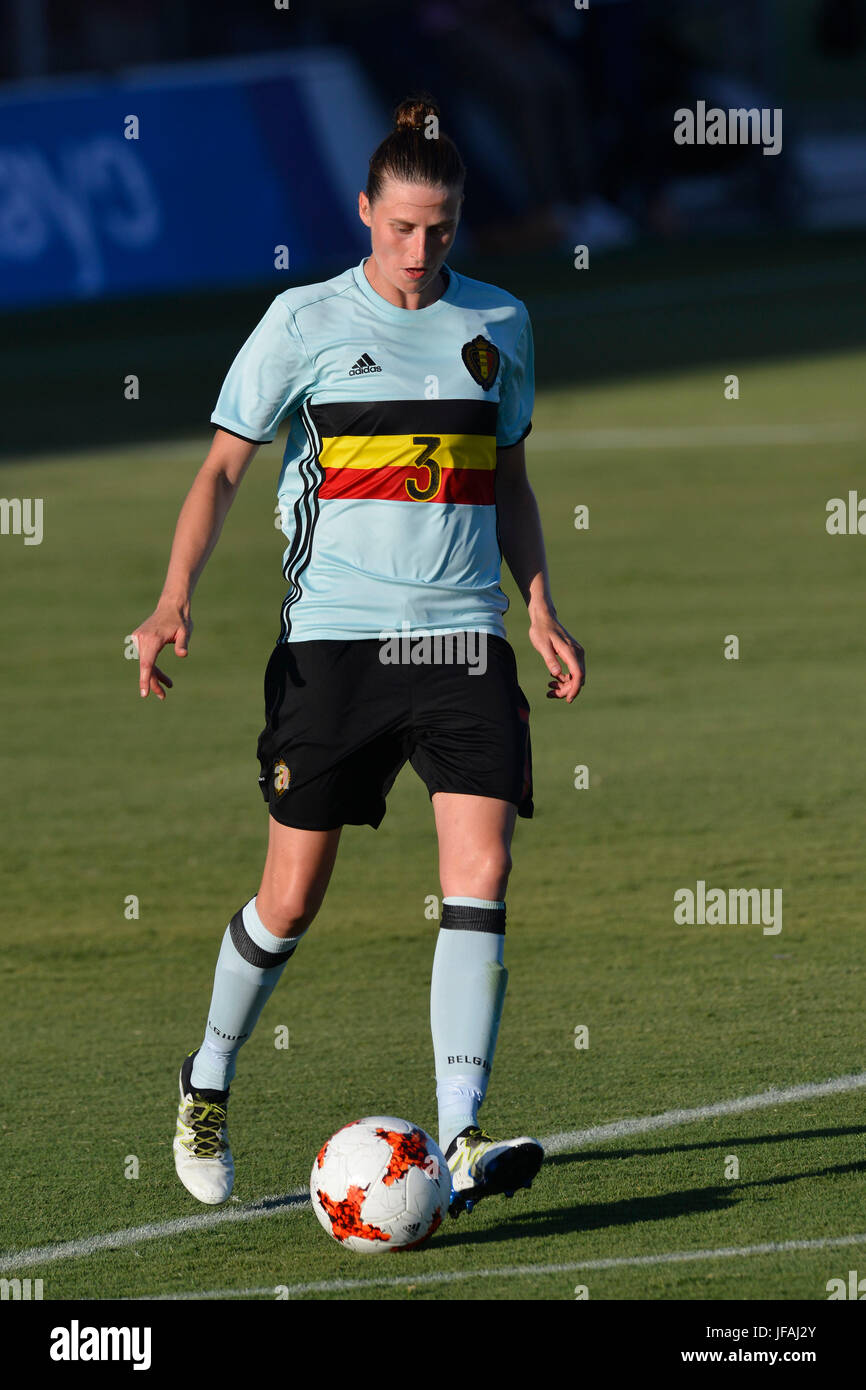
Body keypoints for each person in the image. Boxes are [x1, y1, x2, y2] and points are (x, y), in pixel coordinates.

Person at [133, 95, 585, 1222]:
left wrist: (535, 607)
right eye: (400, 229)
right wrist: (170, 598)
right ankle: (208, 1080)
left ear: (459, 220)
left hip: (463, 636)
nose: (420, 252)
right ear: (363, 212)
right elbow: (223, 471)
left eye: (439, 230)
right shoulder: (301, 322)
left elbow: (509, 485)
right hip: (334, 640)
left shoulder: (503, 323)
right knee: (290, 898)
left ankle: (467, 1134)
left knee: (479, 874)